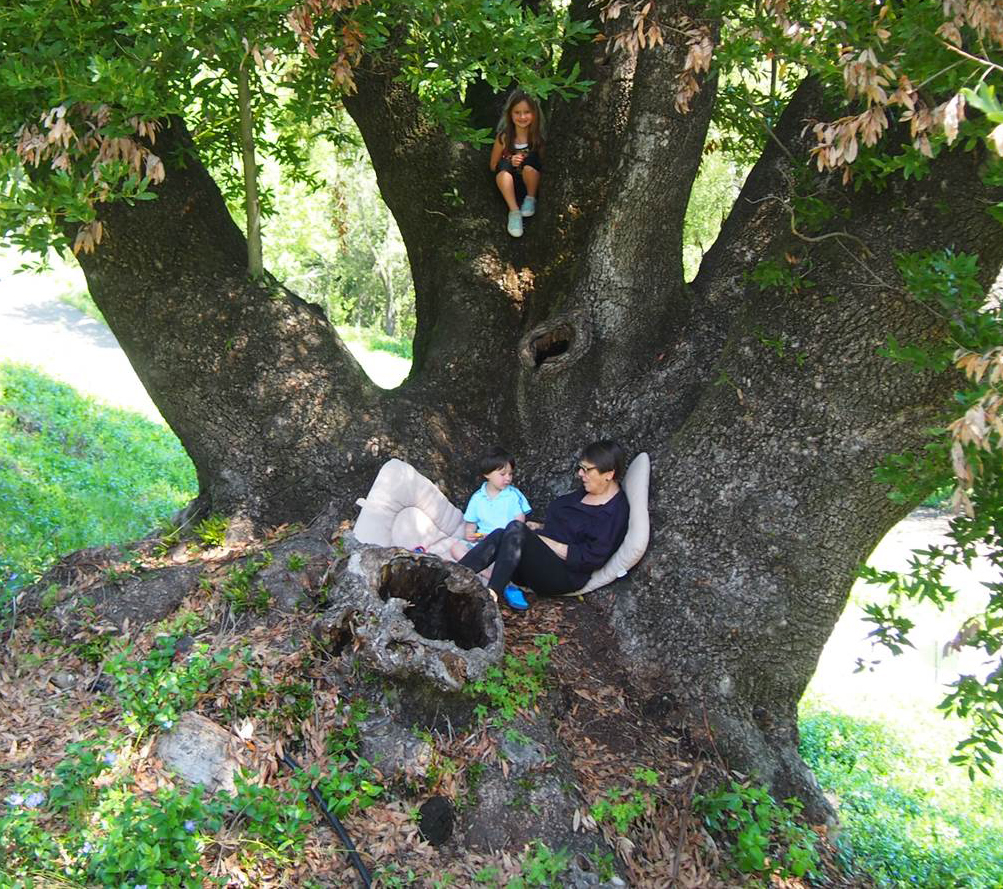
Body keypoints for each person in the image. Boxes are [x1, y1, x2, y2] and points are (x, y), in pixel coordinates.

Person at [459, 440, 629, 611]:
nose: (580, 474)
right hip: (536, 562)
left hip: (562, 575)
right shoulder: (589, 490)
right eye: (580, 468)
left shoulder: (613, 514)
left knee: (516, 529)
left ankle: (491, 596)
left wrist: (541, 539)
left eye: (586, 470)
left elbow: (588, 558)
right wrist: (540, 528)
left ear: (609, 474)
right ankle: (452, 576)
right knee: (499, 534)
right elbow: (569, 526)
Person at [450, 447, 531, 562]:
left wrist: (510, 536)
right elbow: (471, 522)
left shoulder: (513, 495)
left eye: (510, 474)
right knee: (456, 548)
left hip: (506, 541)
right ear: (487, 474)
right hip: (484, 540)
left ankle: (493, 569)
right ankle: (486, 572)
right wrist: (470, 533)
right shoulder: (477, 498)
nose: (508, 478)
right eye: (503, 474)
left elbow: (519, 520)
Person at [489, 89, 544, 238]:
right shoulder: (504, 137)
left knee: (529, 167)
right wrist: (509, 160)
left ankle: (530, 199)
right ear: (510, 114)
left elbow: (543, 164)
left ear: (534, 114)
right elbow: (493, 165)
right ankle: (514, 212)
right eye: (517, 112)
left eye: (527, 112)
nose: (522, 117)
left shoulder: (538, 138)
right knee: (502, 172)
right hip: (510, 185)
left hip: (530, 183)